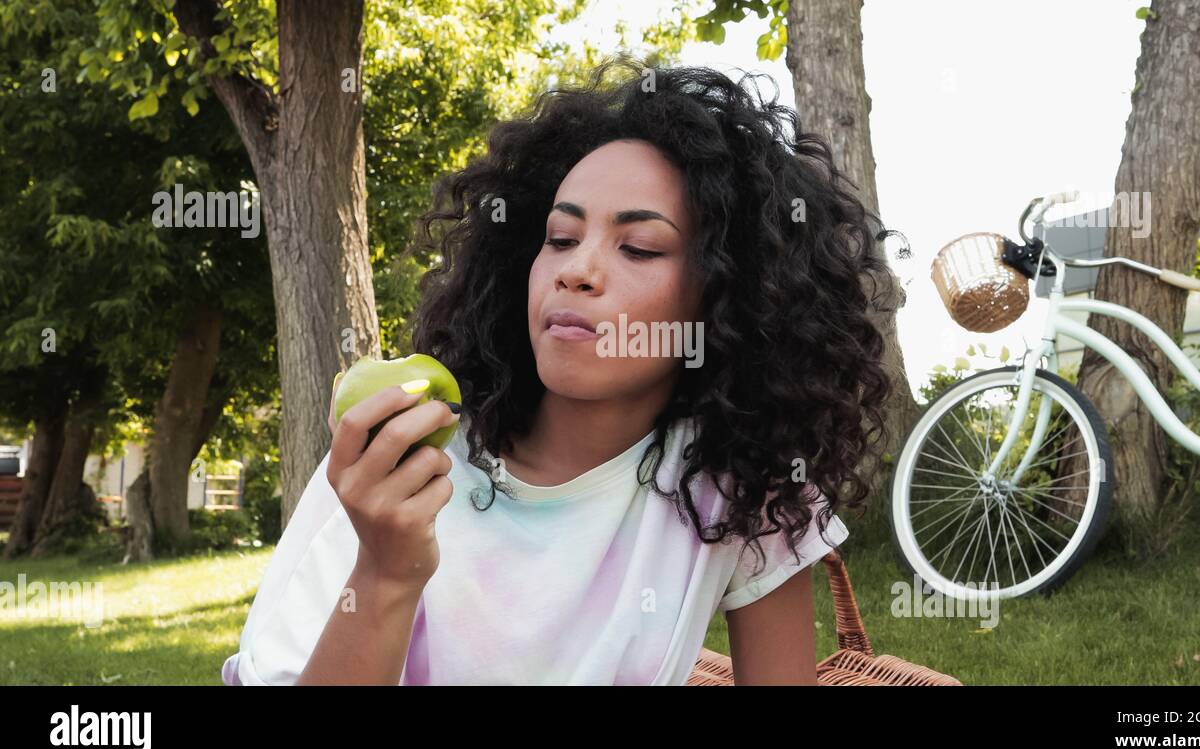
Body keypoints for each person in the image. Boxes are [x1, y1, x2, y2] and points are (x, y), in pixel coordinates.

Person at [221, 55, 896, 686]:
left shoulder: (743, 481)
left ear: (729, 295)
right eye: (560, 238)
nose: (576, 269)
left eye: (638, 246)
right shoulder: (404, 455)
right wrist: (386, 570)